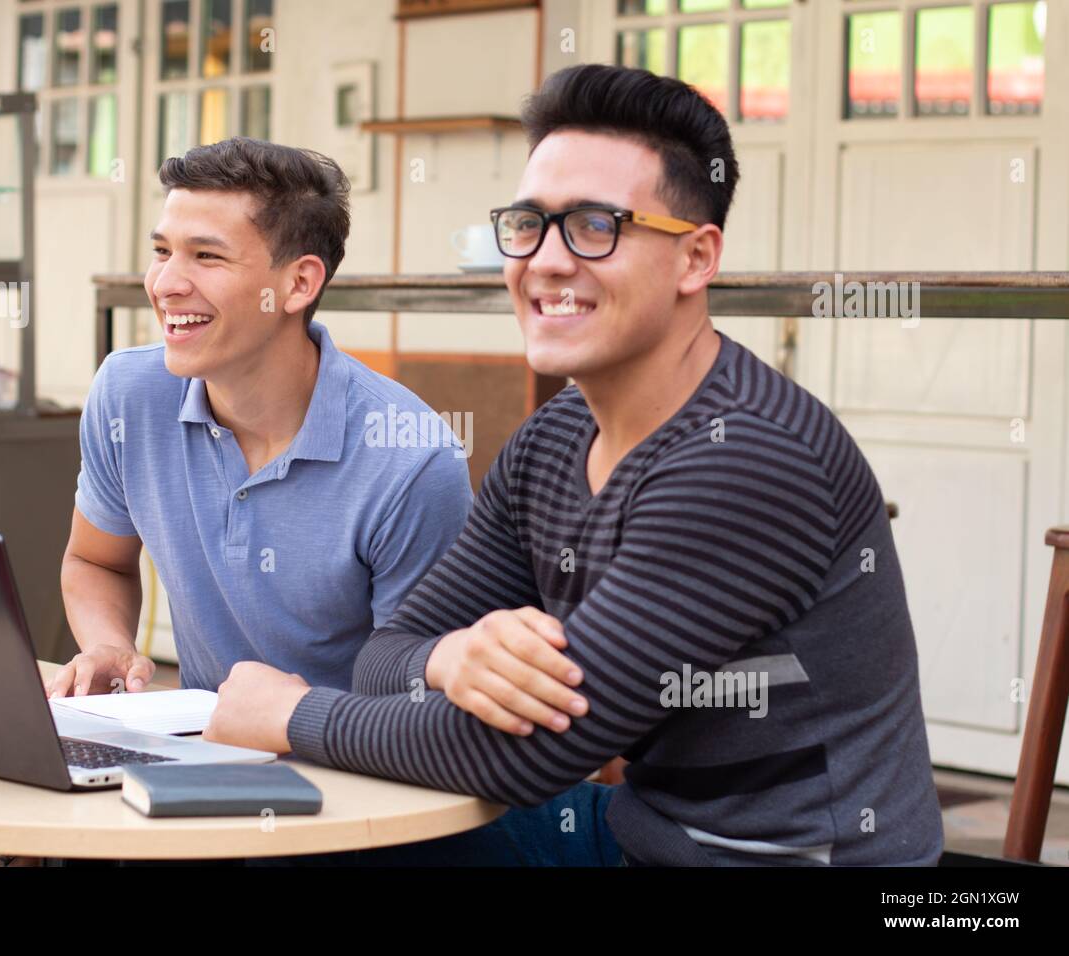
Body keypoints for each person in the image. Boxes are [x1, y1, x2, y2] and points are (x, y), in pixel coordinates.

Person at [204, 66, 945, 867]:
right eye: (529, 224)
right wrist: (448, 658)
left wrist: (289, 713)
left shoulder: (749, 460)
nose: (548, 261)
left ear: (696, 258)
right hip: (635, 838)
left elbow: (529, 756)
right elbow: (386, 655)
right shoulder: (556, 437)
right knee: (298, 829)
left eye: (596, 225)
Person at [48, 138, 472, 699]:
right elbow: (95, 560)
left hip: (359, 770)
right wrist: (107, 644)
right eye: (161, 251)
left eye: (207, 256)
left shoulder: (411, 463)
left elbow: (423, 694)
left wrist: (296, 728)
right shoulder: (129, 395)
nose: (166, 284)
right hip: (194, 754)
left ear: (298, 283)